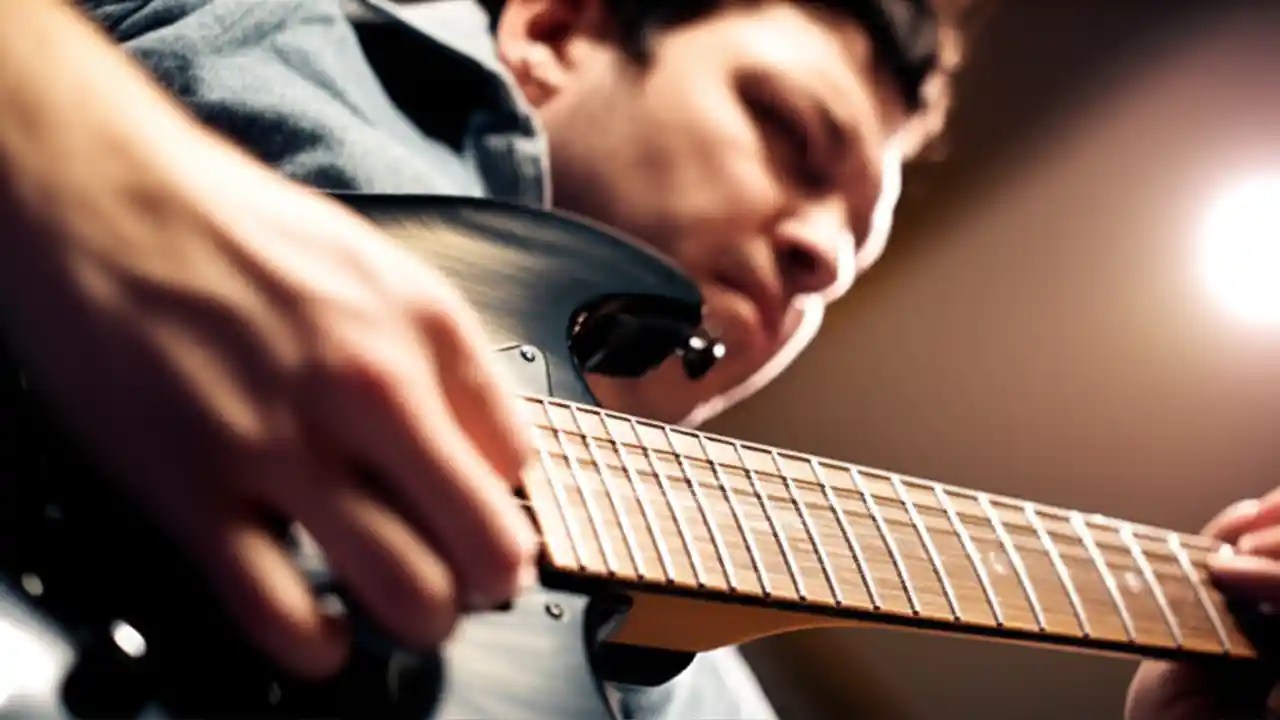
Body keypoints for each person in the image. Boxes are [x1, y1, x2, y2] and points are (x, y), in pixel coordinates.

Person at [1, 0, 1277, 717]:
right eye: (785, 131)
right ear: (557, 30)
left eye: (858, 248)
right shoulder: (292, 22)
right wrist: (84, 162)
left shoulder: (708, 705)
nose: (825, 253)